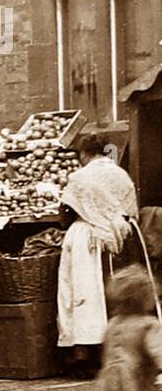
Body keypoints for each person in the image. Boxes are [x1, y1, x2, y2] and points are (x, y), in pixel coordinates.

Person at [58, 133, 141, 372]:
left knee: (85, 290)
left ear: (83, 154)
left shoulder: (80, 177)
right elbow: (129, 210)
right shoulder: (121, 174)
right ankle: (124, 350)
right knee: (117, 291)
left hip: (89, 239)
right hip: (122, 238)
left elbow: (66, 212)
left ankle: (86, 351)